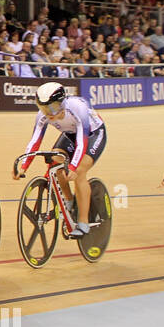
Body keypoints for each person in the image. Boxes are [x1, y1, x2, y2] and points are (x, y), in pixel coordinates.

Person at [15, 82, 107, 238]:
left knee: (79, 171)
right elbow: (35, 141)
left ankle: (83, 222)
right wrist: (24, 165)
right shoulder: (42, 115)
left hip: (93, 134)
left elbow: (81, 141)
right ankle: (69, 200)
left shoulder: (77, 108)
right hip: (70, 134)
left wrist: (72, 166)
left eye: (53, 107)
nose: (49, 113)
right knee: (54, 160)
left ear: (62, 102)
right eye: (44, 108)